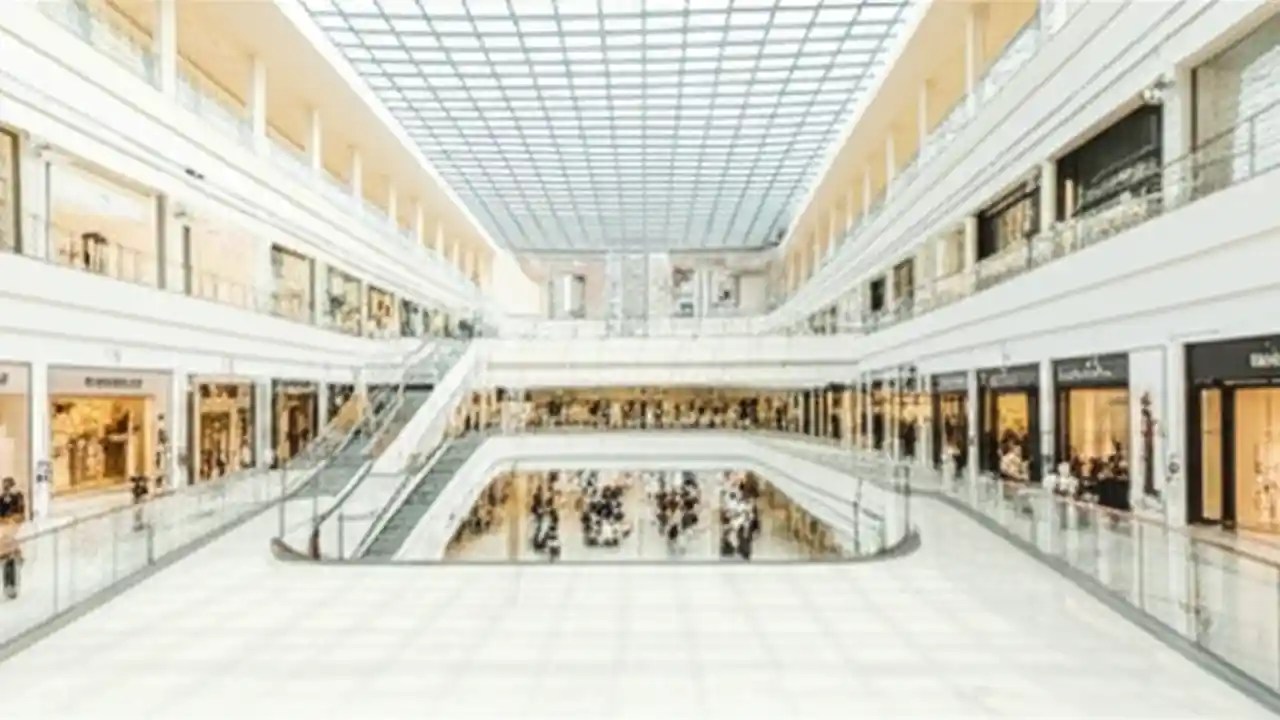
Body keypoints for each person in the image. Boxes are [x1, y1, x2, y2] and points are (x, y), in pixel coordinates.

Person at [0, 477, 25, 599]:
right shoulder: (1, 499)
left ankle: (12, 585)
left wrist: (13, 520)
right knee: (7, 559)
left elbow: (20, 514)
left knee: (11, 558)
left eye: (8, 486)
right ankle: (8, 586)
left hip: (12, 531)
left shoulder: (18, 497)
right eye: (5, 487)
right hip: (5, 532)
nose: (6, 489)